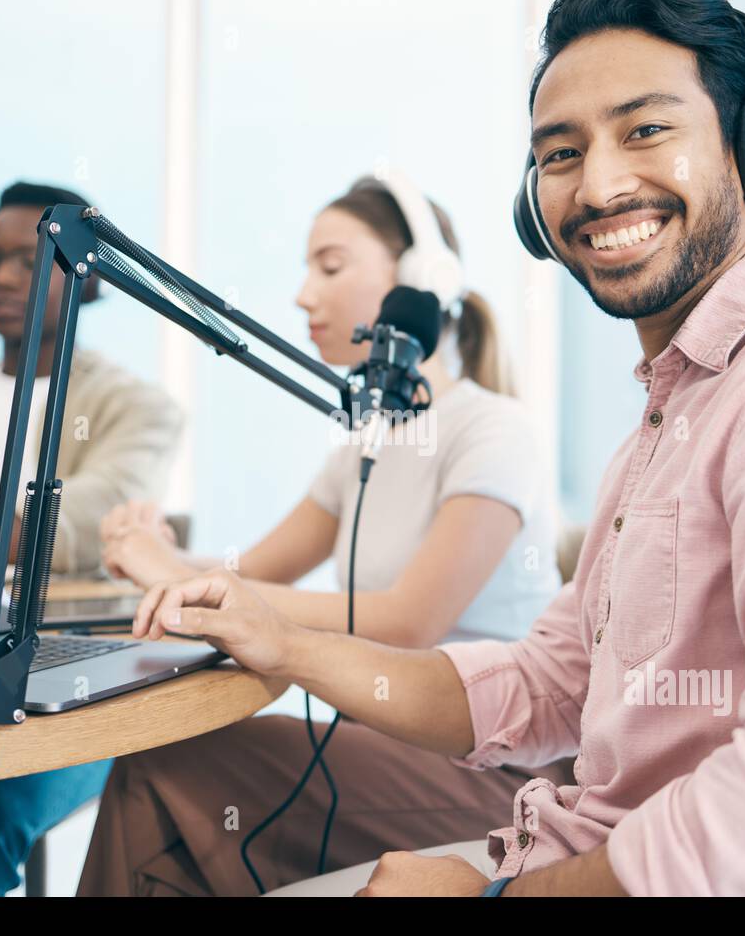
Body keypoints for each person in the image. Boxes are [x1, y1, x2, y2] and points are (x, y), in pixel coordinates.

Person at [118, 0, 745, 897]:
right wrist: (286, 641)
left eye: (646, 129)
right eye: (559, 153)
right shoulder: (673, 419)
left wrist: (490, 898)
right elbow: (548, 685)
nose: (598, 184)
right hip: (560, 851)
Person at [77, 175, 567, 896]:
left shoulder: (493, 430)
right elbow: (247, 570)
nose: (305, 295)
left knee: (159, 770)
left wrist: (177, 577)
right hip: (386, 743)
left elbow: (410, 619)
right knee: (168, 841)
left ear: (420, 280)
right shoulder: (365, 443)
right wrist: (159, 553)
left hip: (499, 774)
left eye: (330, 266)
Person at [0, 180, 183, 895]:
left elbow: (97, 513)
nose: (2, 275)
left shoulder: (135, 405)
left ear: (84, 277)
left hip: (62, 683)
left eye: (29, 258)